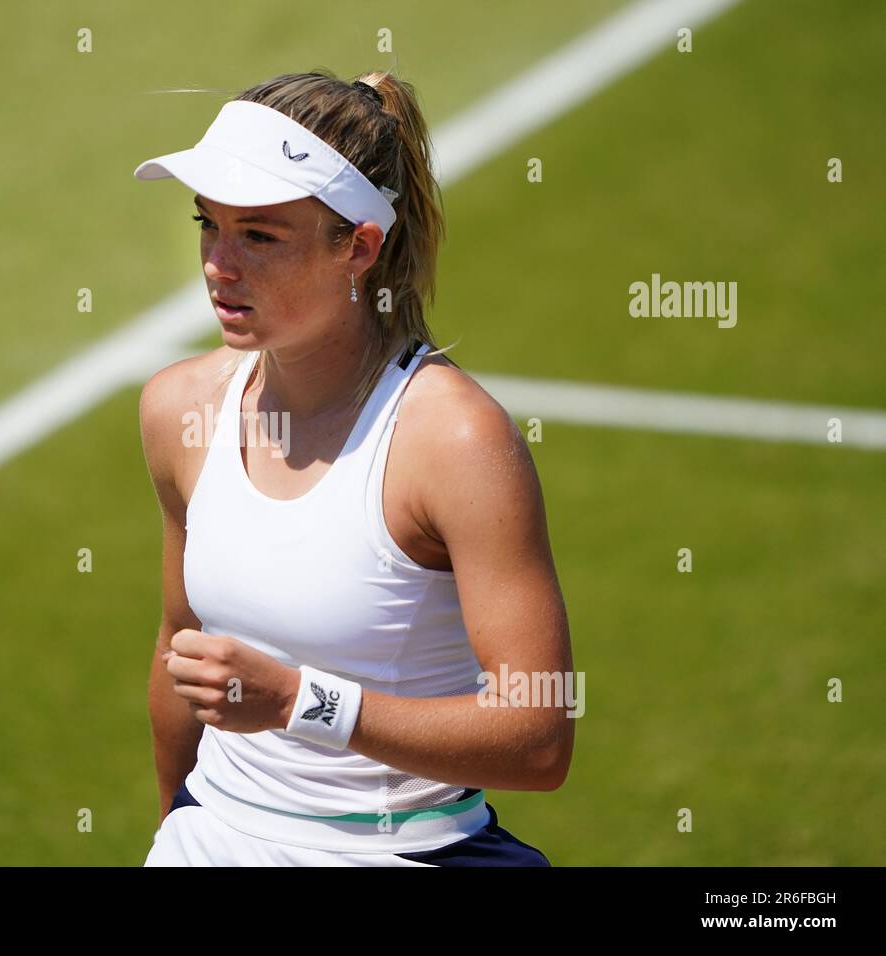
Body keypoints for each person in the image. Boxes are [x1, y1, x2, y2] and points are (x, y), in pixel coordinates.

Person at [134, 69, 574, 866]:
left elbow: (539, 740)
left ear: (359, 249)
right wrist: (174, 828)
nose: (218, 265)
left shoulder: (457, 441)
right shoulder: (179, 409)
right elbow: (180, 649)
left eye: (260, 237)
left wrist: (302, 701)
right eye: (210, 225)